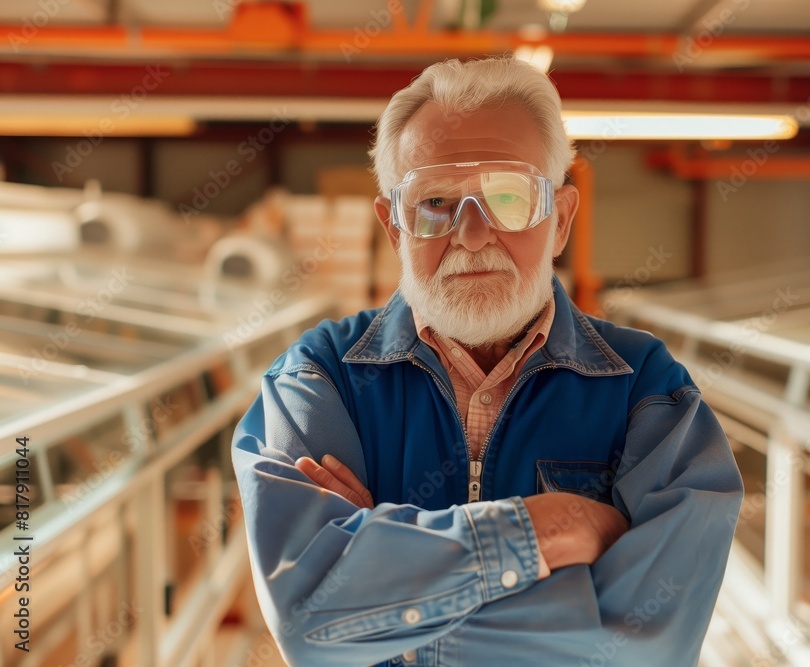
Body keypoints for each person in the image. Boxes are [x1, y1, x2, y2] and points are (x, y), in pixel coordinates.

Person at [231, 56, 743, 667]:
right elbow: (308, 623)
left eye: (508, 197)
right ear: (394, 228)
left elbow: (647, 645)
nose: (472, 236)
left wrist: (386, 584)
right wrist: (550, 527)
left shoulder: (648, 392)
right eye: (435, 201)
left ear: (560, 220)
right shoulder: (317, 379)